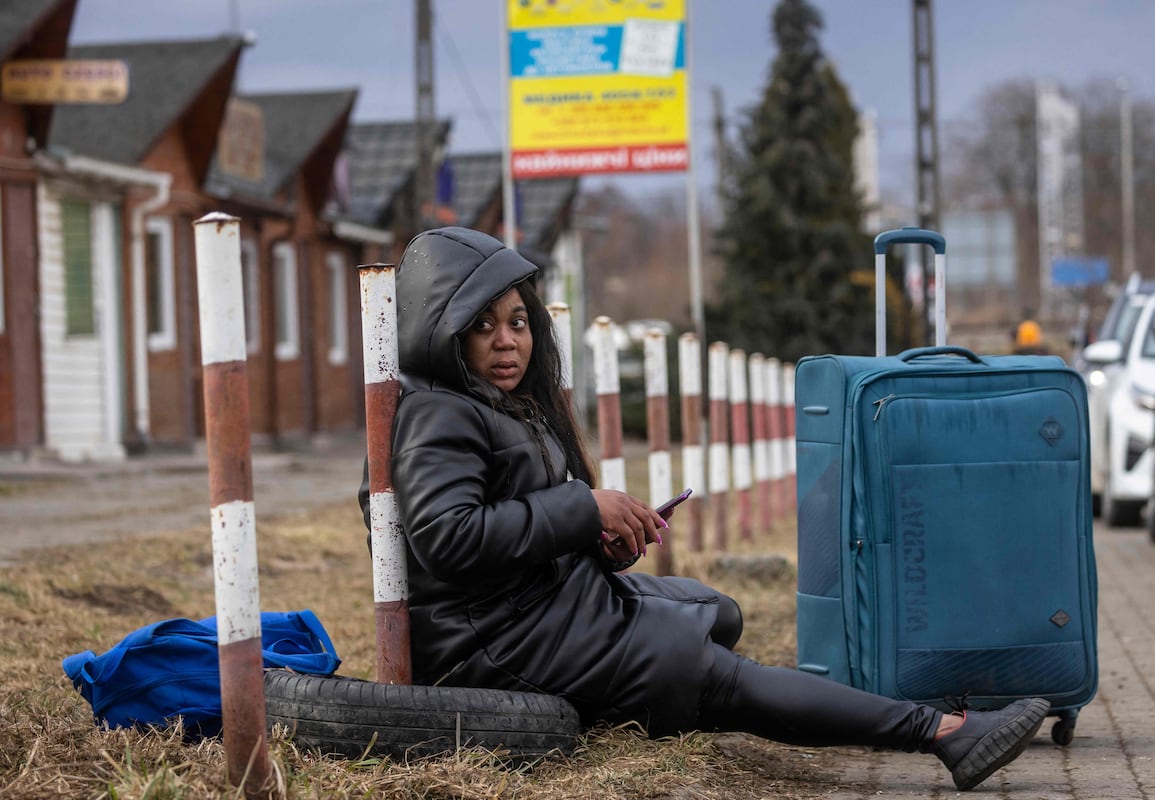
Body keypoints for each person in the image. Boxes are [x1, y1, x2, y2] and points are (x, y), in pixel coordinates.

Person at [359, 227, 1050, 792]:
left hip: (545, 605)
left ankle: (660, 680)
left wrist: (602, 542)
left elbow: (522, 525)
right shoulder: (437, 416)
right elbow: (448, 540)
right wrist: (583, 509)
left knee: (720, 612)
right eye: (482, 326)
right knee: (717, 674)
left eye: (517, 321)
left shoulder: (498, 404)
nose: (507, 341)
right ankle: (943, 733)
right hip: (496, 644)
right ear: (441, 332)